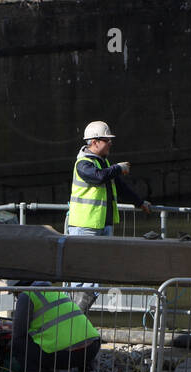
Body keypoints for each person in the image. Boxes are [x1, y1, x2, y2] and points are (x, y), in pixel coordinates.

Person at [67, 121, 152, 310]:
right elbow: (98, 177)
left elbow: (120, 187)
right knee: (85, 281)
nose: (111, 144)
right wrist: (118, 168)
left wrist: (139, 202)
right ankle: (73, 322)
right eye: (107, 140)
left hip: (101, 226)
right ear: (95, 142)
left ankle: (74, 322)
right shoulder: (84, 163)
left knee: (93, 280)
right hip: (85, 228)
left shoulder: (101, 163)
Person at [8, 281, 101, 372]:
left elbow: (19, 332)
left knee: (17, 343)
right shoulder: (57, 292)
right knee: (78, 337)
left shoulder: (27, 295)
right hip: (92, 348)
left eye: (14, 294)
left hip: (66, 355)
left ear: (18, 288)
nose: (15, 297)